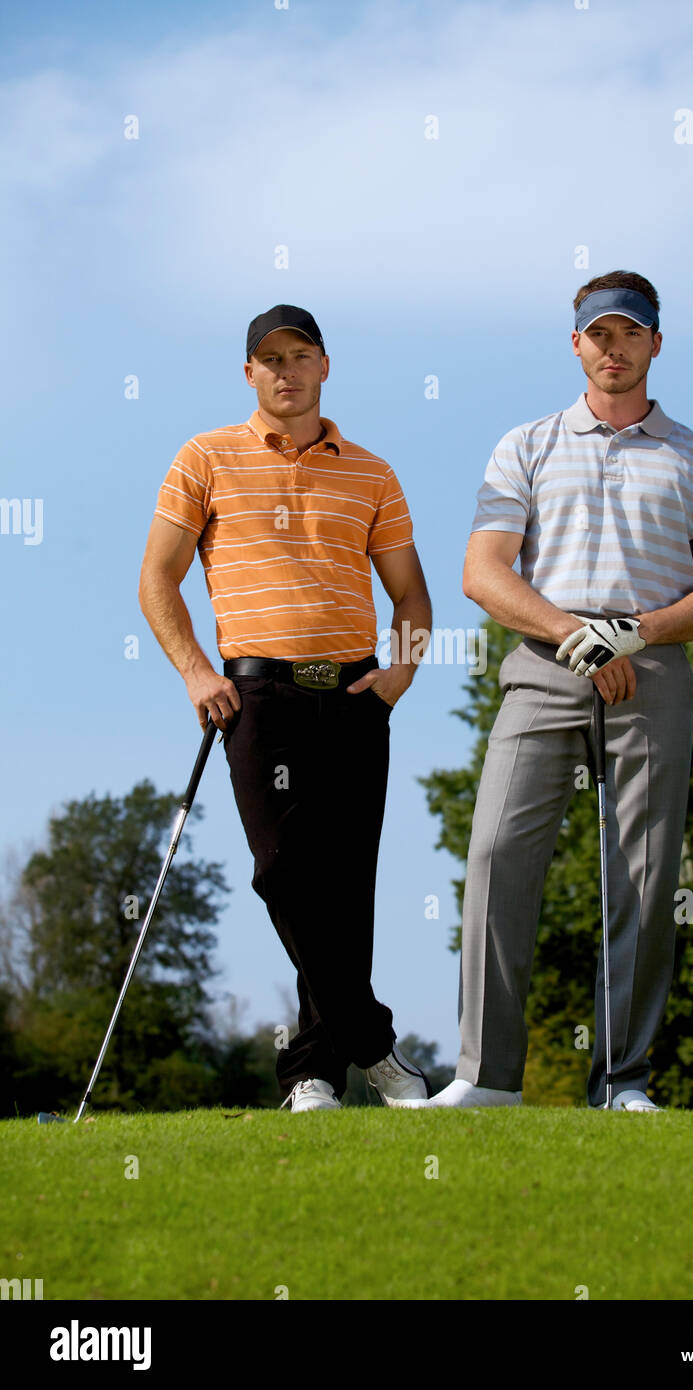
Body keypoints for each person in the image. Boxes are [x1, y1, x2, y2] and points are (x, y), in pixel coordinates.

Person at [409, 270, 693, 1111]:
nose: (614, 347)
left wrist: (638, 633)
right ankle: (486, 1079)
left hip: (651, 665)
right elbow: (482, 573)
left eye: (630, 333)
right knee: (494, 854)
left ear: (655, 344)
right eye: (599, 334)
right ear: (576, 345)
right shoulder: (524, 444)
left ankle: (621, 1082)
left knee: (641, 872)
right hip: (545, 659)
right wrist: (576, 637)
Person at [139, 304, 433, 1112]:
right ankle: (375, 1047)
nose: (285, 370)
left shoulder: (371, 472)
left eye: (300, 355)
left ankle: (312, 1075)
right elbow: (155, 580)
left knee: (346, 889)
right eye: (270, 359)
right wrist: (198, 673)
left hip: (353, 692)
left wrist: (400, 676)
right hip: (256, 695)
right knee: (283, 874)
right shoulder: (204, 457)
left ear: (325, 367)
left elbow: (410, 593)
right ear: (249, 374)